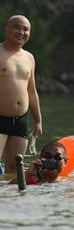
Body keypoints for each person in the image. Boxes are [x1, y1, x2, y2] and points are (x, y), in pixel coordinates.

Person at [0, 15, 42, 173]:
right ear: (6, 29)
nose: (21, 32)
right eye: (17, 27)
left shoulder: (29, 57)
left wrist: (38, 121)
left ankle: (13, 198)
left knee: (14, 169)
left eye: (26, 29)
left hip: (20, 121)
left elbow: (31, 90)